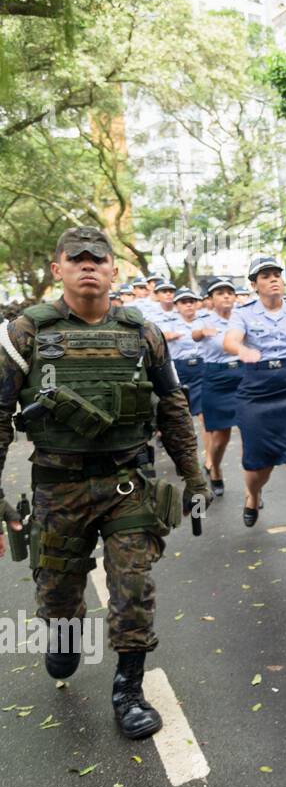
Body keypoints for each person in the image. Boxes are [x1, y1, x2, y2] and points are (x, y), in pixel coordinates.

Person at [0, 226, 211, 739]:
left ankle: (128, 691)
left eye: (99, 258)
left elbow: (174, 409)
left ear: (115, 270)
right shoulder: (25, 333)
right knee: (57, 596)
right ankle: (63, 636)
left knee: (134, 586)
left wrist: (194, 477)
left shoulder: (144, 333)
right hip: (58, 487)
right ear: (59, 270)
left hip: (127, 484)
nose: (89, 265)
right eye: (77, 259)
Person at [223, 256, 286, 549]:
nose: (274, 279)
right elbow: (230, 340)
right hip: (257, 389)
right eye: (265, 275)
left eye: (277, 273)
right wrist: (242, 350)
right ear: (254, 285)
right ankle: (253, 495)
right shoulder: (243, 313)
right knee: (258, 465)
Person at [194, 278, 240, 496]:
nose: (226, 296)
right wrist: (202, 333)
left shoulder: (243, 318)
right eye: (220, 293)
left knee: (251, 432)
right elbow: (194, 335)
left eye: (230, 292)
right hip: (217, 378)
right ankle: (215, 467)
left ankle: (253, 491)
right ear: (210, 300)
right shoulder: (204, 319)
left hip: (243, 375)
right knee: (221, 436)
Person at [159, 287, 206, 434]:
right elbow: (162, 336)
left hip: (201, 367)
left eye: (191, 301)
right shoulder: (169, 321)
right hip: (180, 370)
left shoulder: (205, 320)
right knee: (180, 413)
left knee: (204, 413)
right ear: (176, 305)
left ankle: (209, 455)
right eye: (184, 302)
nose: (189, 305)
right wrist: (172, 335)